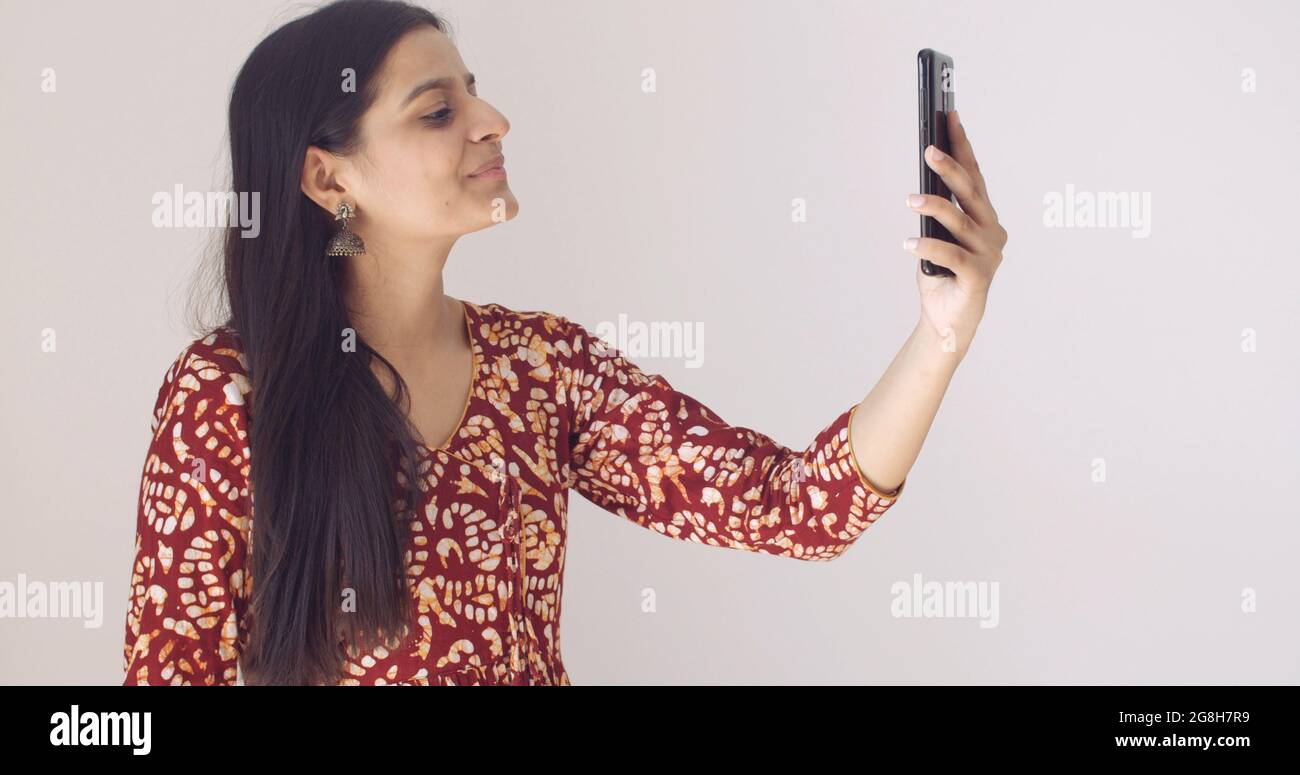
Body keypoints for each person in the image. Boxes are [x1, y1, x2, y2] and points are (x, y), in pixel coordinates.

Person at [122, 0, 1007, 686]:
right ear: (329, 176)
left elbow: (791, 508)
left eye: (475, 89)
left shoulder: (540, 368)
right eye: (438, 111)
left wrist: (941, 336)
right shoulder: (230, 395)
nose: (492, 118)